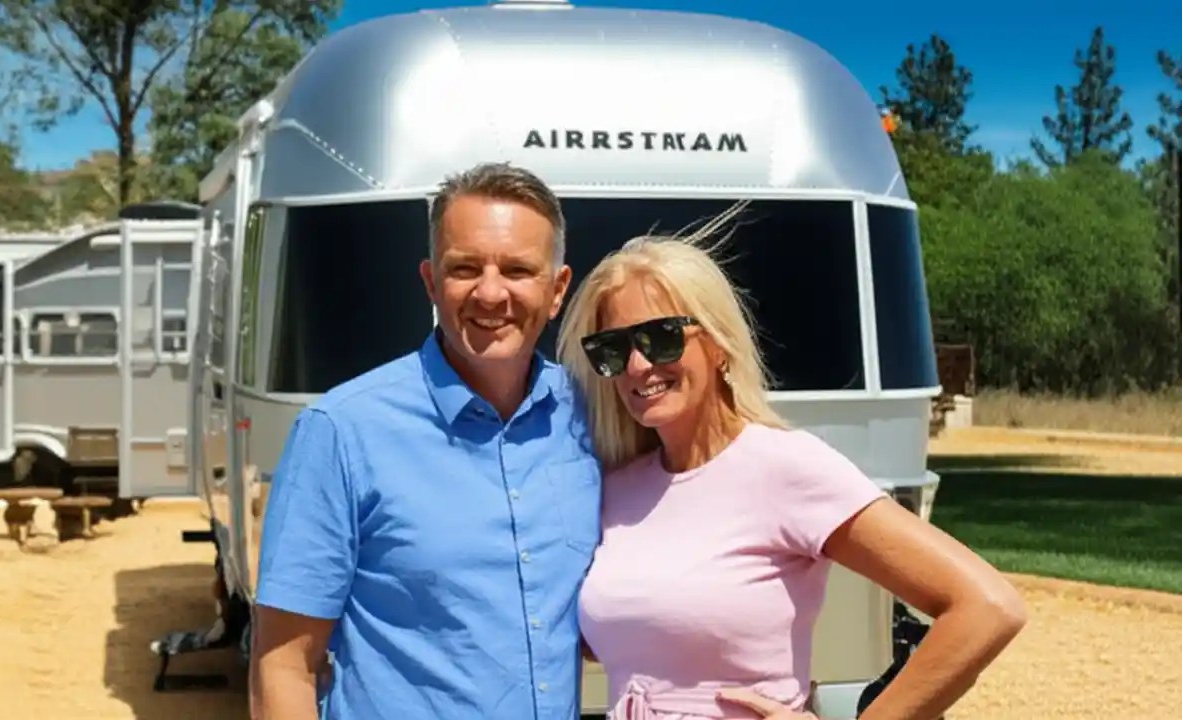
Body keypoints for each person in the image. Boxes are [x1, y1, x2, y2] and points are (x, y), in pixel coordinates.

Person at [554, 203, 1027, 720]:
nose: (639, 366)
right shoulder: (617, 490)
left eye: (661, 337)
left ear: (717, 344)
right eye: (613, 349)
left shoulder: (784, 468)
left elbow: (986, 608)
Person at [248, 161, 602, 720]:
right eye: (465, 269)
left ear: (557, 290)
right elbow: (285, 661)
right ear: (431, 281)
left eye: (517, 270)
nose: (491, 293)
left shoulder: (589, 417)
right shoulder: (342, 432)